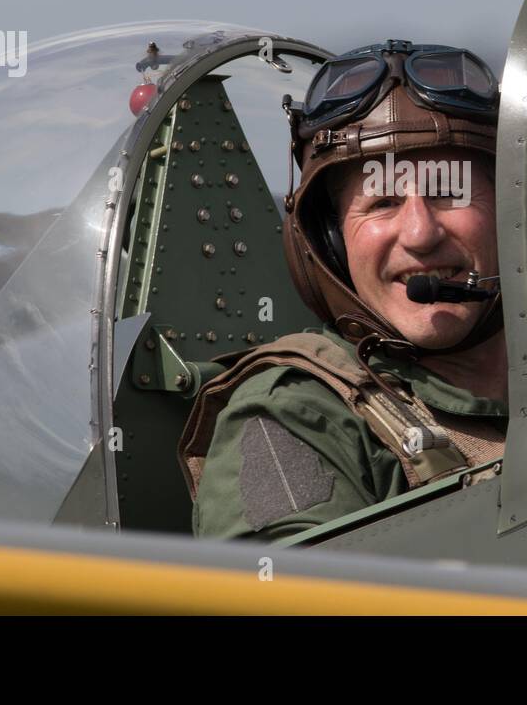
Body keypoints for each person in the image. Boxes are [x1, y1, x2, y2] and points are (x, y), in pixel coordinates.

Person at [179, 40, 507, 540]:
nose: (420, 234)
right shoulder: (292, 416)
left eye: (448, 193)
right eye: (382, 203)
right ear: (330, 242)